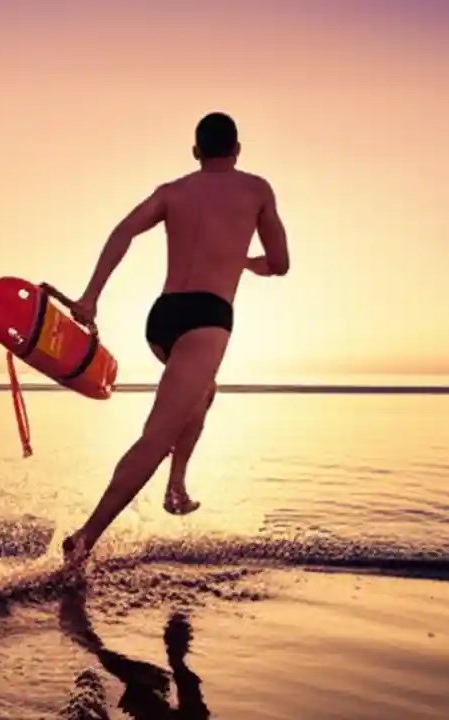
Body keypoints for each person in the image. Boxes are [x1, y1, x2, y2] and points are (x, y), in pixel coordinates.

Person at [62, 111, 290, 569]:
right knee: (157, 436)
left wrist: (91, 296)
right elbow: (281, 264)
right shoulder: (257, 189)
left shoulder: (173, 191)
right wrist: (246, 262)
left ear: (195, 151)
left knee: (203, 393)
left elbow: (123, 230)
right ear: (237, 149)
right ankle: (85, 537)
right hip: (207, 319)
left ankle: (175, 488)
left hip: (163, 318)